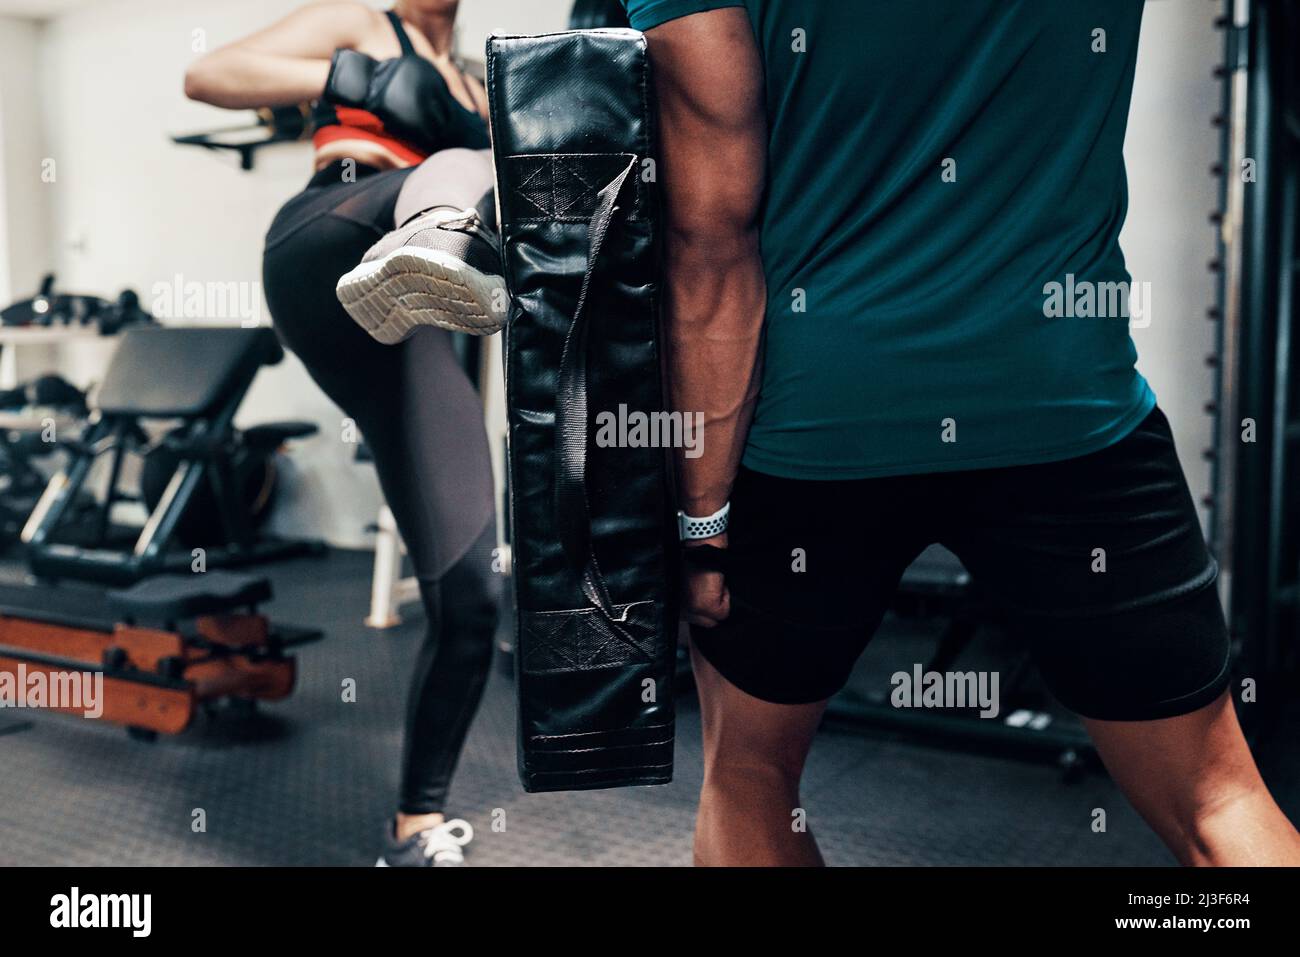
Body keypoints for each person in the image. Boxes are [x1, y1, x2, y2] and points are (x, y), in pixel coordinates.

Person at [613, 0, 1300, 866]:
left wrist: (700, 525)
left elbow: (709, 239)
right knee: (1218, 799)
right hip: (1060, 399)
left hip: (818, 415)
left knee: (748, 775)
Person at [184, 0, 504, 867]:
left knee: (473, 589)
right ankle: (431, 235)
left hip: (422, 309)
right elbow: (206, 75)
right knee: (461, 166)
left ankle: (415, 826)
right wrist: (337, 77)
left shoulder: (479, 74)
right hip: (329, 238)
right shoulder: (363, 22)